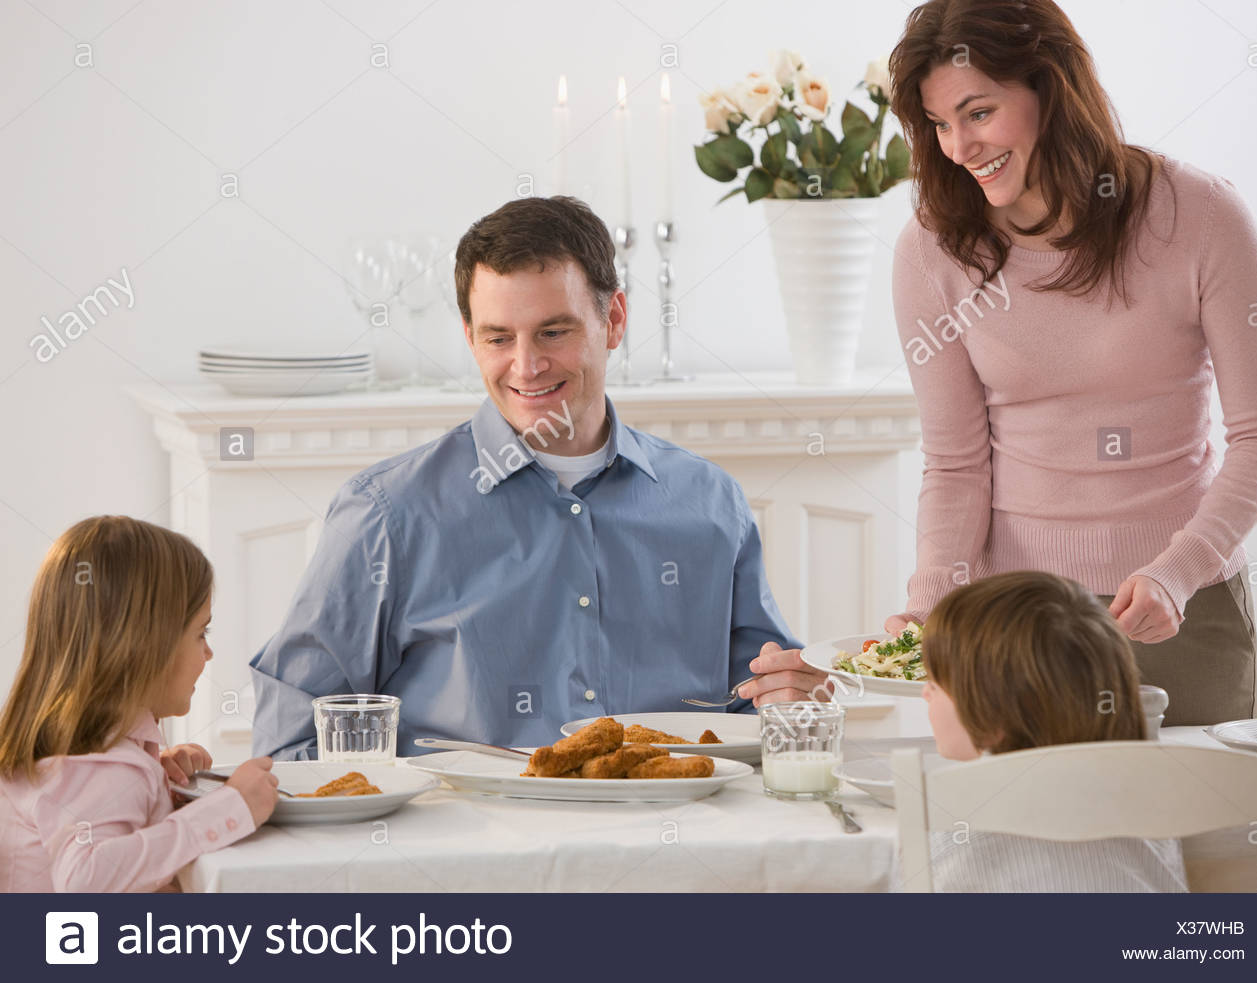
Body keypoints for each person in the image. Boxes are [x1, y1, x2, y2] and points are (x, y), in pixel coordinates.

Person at [250, 196, 826, 759]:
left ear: (614, 320)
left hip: (674, 833)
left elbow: (767, 708)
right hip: (463, 846)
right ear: (470, 336)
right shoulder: (385, 514)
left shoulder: (710, 502)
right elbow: (291, 740)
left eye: (554, 332)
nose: (526, 367)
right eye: (499, 337)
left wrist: (800, 700)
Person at [882, 0, 1257, 725]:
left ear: (1050, 88)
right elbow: (954, 464)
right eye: (940, 126)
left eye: (977, 114)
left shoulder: (1199, 217)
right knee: (1030, 834)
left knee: (1201, 837)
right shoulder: (934, 249)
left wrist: (1177, 573)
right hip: (1016, 622)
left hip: (1184, 609)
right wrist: (930, 608)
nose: (958, 148)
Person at [0, 516, 280, 892]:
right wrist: (228, 809)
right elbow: (87, 882)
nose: (209, 653)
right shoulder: (107, 766)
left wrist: (154, 791)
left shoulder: (83, 755)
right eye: (201, 633)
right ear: (148, 646)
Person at [891, 570, 1187, 892]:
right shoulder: (1154, 811)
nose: (925, 694)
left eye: (934, 683)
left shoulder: (949, 827)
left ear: (993, 719)